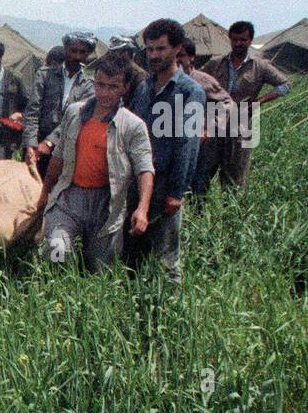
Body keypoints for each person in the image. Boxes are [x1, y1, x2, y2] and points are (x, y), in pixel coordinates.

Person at [32, 53, 154, 271]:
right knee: (56, 250)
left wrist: (142, 209)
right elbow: (58, 157)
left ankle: (88, 300)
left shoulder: (133, 125)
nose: (105, 93)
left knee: (100, 268)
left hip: (107, 202)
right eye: (100, 85)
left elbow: (144, 169)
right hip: (70, 195)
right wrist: (45, 193)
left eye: (113, 87)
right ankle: (57, 292)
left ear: (125, 88)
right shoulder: (75, 113)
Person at [126, 19, 206, 284]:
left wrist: (176, 192)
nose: (154, 55)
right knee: (134, 248)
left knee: (166, 256)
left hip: (166, 182)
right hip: (138, 181)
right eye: (149, 50)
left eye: (160, 49)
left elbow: (189, 144)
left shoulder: (190, 91)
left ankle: (169, 314)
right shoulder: (144, 87)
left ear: (177, 49)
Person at [203, 21, 290, 189]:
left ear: (250, 40)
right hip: (214, 123)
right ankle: (200, 212)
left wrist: (260, 101)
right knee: (204, 173)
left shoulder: (260, 66)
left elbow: (285, 85)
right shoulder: (215, 63)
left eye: (243, 40)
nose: (238, 44)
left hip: (241, 124)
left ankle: (232, 213)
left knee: (235, 178)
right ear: (229, 39)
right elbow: (197, 80)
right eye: (234, 39)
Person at [23, 32, 96, 177]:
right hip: (38, 144)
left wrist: (50, 142)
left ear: (87, 54)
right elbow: (32, 111)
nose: (77, 56)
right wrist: (30, 144)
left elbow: (76, 118)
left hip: (68, 148)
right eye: (73, 51)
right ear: (66, 49)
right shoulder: (44, 75)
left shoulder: (89, 85)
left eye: (82, 52)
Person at [175, 41, 233, 195]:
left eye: (180, 56)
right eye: (173, 56)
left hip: (199, 145)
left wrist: (209, 128)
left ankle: (197, 216)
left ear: (191, 57)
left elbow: (227, 103)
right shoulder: (164, 80)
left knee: (198, 186)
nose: (176, 60)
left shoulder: (201, 80)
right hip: (172, 140)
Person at [106, 35, 148, 107]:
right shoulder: (116, 73)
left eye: (117, 52)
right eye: (112, 53)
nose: (113, 57)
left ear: (127, 53)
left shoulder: (140, 77)